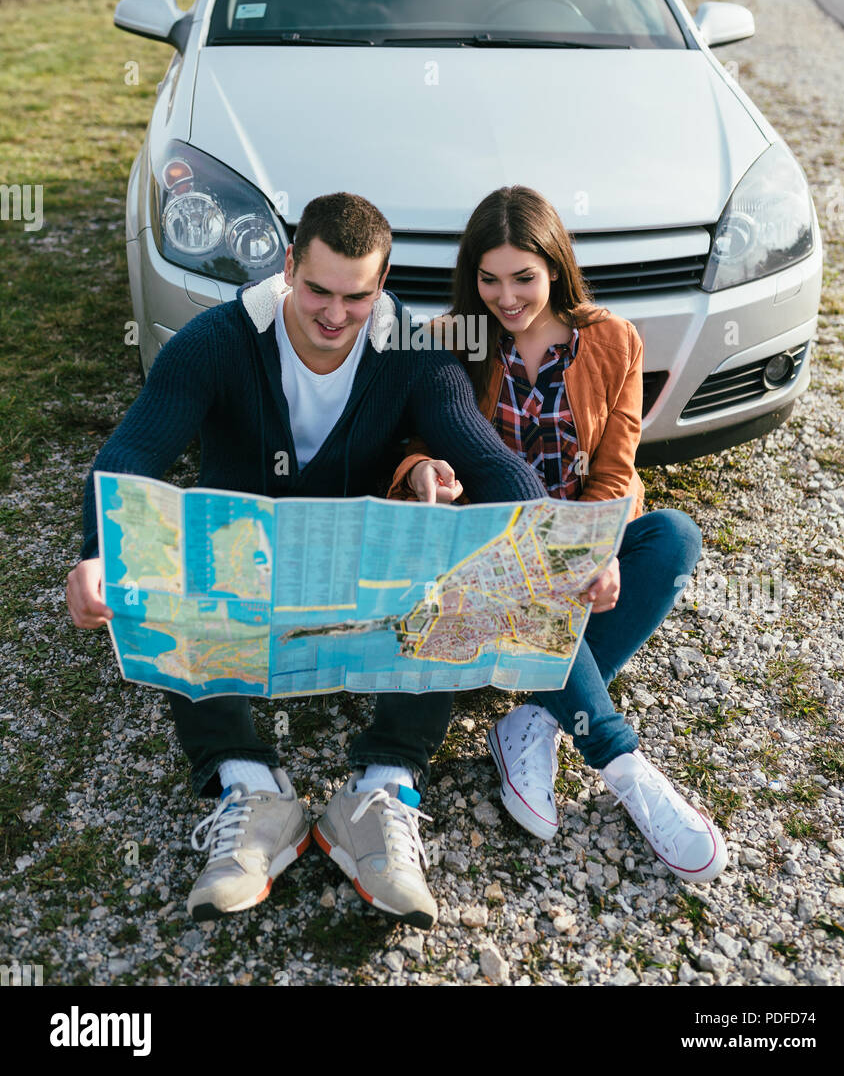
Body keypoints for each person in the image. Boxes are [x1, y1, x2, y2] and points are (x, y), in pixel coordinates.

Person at [66, 191, 547, 930]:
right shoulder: (215, 341)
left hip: (361, 585)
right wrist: (96, 556)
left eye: (356, 297)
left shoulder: (413, 353)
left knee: (458, 556)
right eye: (317, 290)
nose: (333, 315)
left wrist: (556, 549)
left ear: (381, 288)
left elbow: (492, 463)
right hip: (238, 578)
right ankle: (251, 790)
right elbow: (131, 455)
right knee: (156, 550)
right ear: (289, 266)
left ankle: (382, 793)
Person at [388, 185, 728, 882]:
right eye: (488, 278)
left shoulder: (614, 341)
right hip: (487, 558)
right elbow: (407, 443)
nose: (505, 297)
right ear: (470, 276)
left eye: (523, 278)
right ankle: (624, 765)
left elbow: (617, 470)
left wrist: (602, 550)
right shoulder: (453, 341)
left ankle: (536, 718)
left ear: (556, 266)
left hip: (574, 549)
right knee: (531, 572)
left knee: (675, 536)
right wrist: (424, 470)